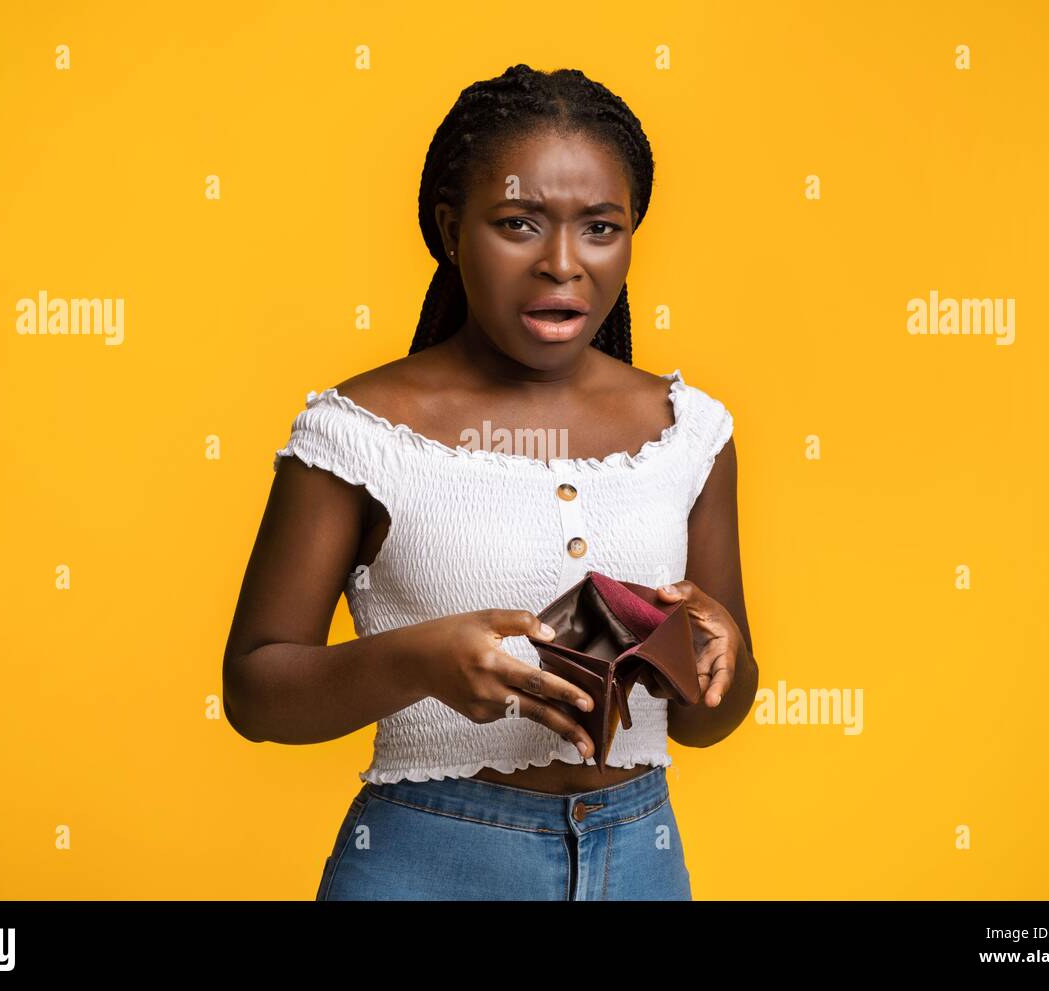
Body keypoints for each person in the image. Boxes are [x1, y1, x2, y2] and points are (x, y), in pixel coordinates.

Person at [222, 64, 758, 900]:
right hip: (426, 861)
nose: (562, 264)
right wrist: (418, 661)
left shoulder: (689, 432)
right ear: (449, 228)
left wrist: (717, 653)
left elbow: (706, 719)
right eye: (517, 223)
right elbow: (255, 691)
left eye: (601, 228)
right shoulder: (357, 432)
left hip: (643, 861)